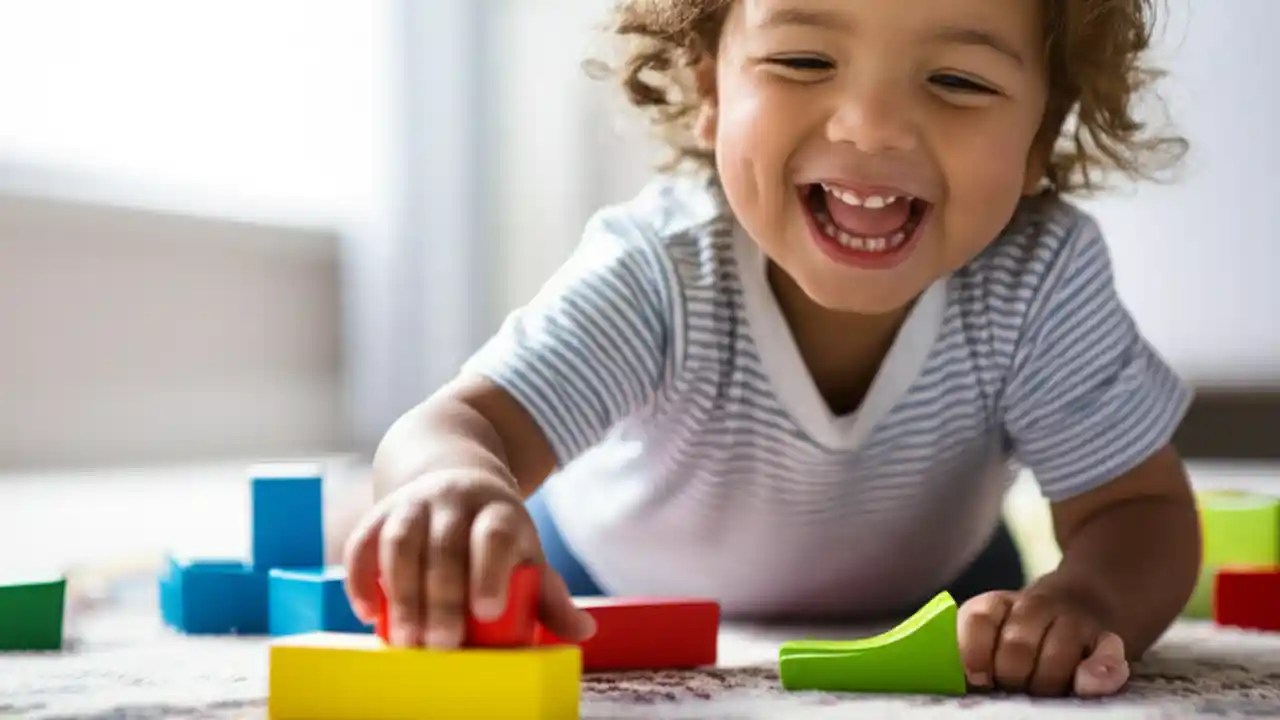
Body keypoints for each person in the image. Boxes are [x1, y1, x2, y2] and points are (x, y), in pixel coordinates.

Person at [342, 0, 1200, 698]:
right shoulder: (663, 268)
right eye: (803, 62)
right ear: (711, 85)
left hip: (941, 583)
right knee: (442, 533)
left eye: (957, 79)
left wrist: (1084, 598)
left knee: (1018, 606)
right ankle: (349, 512)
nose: (872, 128)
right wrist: (450, 484)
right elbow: (459, 423)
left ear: (1040, 137)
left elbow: (1138, 513)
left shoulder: (1039, 277)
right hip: (599, 573)